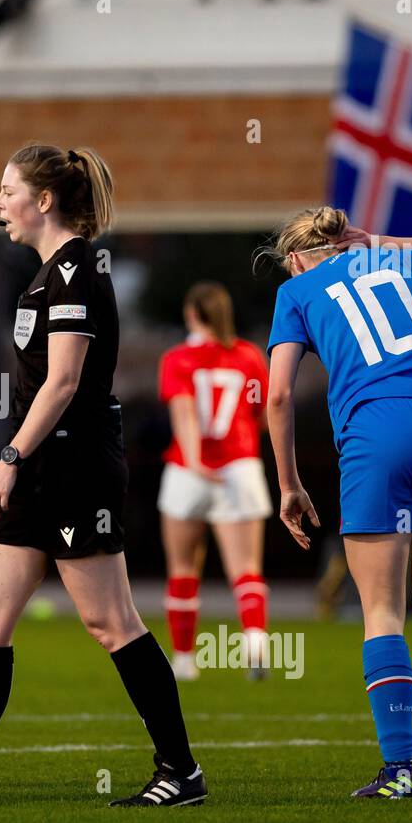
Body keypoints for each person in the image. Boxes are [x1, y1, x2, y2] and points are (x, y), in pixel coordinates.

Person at [0, 144, 205, 808]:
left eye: (6, 190)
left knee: (112, 623)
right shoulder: (46, 275)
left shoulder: (77, 271)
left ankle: (181, 771)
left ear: (43, 201)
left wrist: (10, 457)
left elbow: (66, 381)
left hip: (74, 468)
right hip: (38, 469)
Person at [262, 206, 412, 799]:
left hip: (378, 430)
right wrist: (377, 240)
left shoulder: (297, 290)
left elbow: (278, 395)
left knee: (382, 611)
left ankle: (396, 772)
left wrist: (288, 483)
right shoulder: (389, 260)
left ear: (298, 257)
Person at [157, 282, 272, 681]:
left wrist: (194, 459)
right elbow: (262, 414)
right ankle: (255, 643)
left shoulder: (177, 358)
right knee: (246, 568)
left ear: (192, 314)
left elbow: (184, 412)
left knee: (183, 567)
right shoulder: (249, 357)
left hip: (187, 471)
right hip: (239, 467)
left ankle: (185, 661)